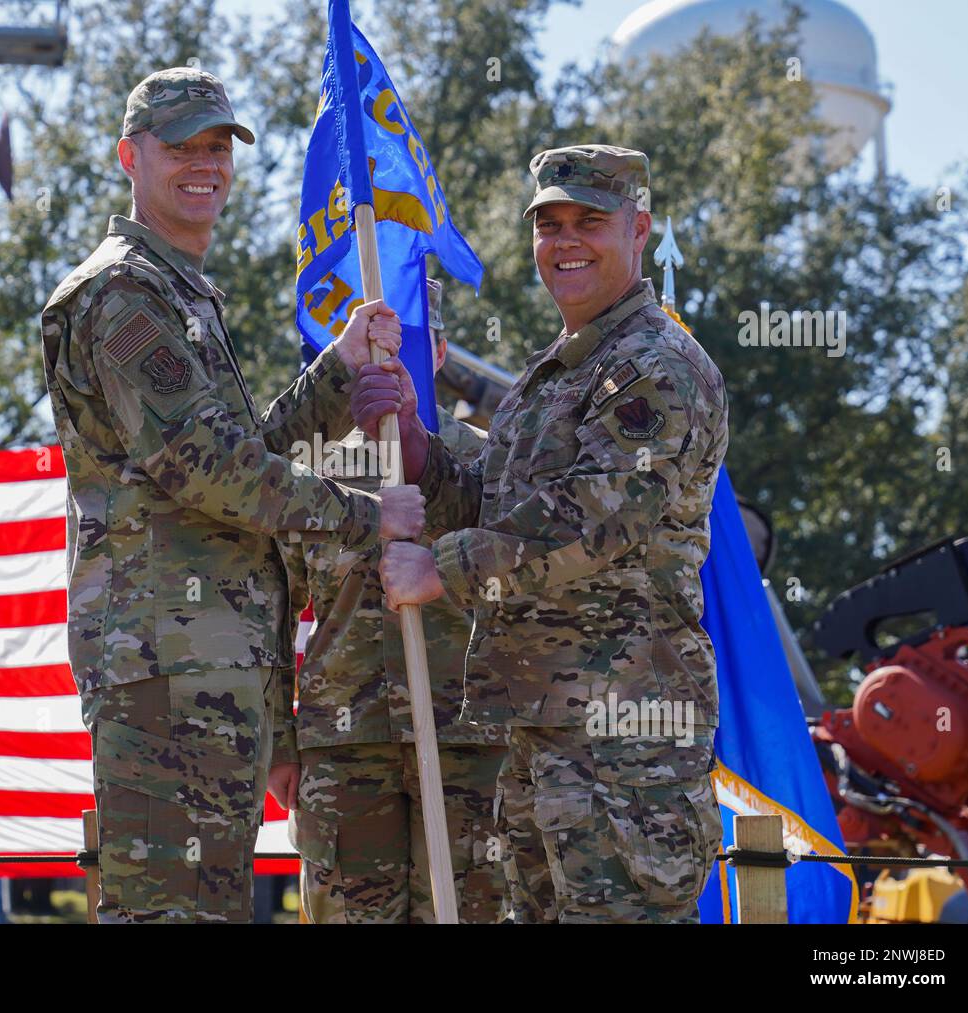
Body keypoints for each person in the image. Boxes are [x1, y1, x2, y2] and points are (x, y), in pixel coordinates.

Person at [40, 67, 423, 923]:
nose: (204, 163)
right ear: (129, 158)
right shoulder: (123, 292)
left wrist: (340, 371)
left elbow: (232, 456)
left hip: (212, 667)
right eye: (183, 146)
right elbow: (205, 468)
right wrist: (368, 520)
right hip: (167, 667)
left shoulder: (181, 294)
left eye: (218, 146)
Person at [352, 145, 729, 923]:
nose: (565, 242)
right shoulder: (557, 372)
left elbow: (593, 521)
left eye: (589, 222)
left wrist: (442, 570)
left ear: (640, 230)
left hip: (624, 741)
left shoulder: (655, 367)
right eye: (548, 224)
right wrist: (423, 450)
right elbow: (501, 501)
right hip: (543, 727)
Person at [281, 279, 508, 923]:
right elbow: (271, 608)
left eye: (407, 346)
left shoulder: (490, 465)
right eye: (376, 346)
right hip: (344, 746)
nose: (391, 363)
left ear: (438, 353)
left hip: (468, 745)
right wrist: (276, 740)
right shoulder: (310, 478)